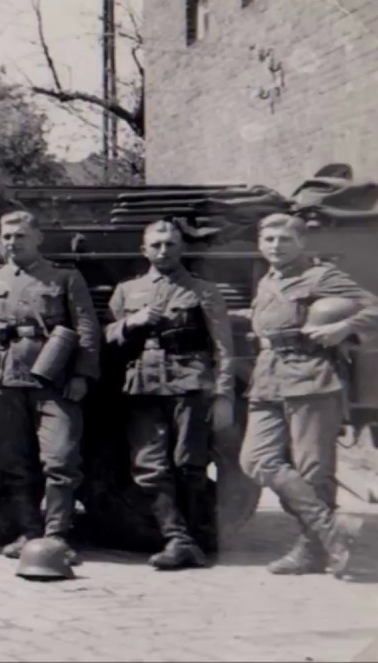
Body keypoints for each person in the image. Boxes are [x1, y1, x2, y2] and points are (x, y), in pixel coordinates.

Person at [240, 213, 378, 578]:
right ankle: (334, 533)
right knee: (257, 460)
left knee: (313, 470)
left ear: (302, 243)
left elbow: (375, 308)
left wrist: (343, 327)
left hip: (312, 375)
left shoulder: (321, 276)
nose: (275, 246)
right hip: (269, 374)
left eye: (284, 239)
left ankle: (311, 550)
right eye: (268, 239)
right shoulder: (267, 279)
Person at [0, 210, 99, 563]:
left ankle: (56, 537)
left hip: (55, 379)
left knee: (60, 459)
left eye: (20, 236)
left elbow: (86, 328)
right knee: (14, 461)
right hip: (3, 379)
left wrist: (83, 375)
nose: (12, 242)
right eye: (6, 236)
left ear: (38, 238)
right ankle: (29, 533)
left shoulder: (65, 276)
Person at [105, 220, 234, 570]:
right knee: (149, 466)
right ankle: (178, 539)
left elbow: (223, 345)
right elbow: (109, 335)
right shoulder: (127, 291)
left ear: (182, 248)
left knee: (189, 464)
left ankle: (191, 536)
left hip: (189, 383)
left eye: (171, 244)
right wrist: (132, 323)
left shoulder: (202, 290)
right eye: (157, 245)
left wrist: (223, 394)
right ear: (144, 250)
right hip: (143, 385)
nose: (164, 250)